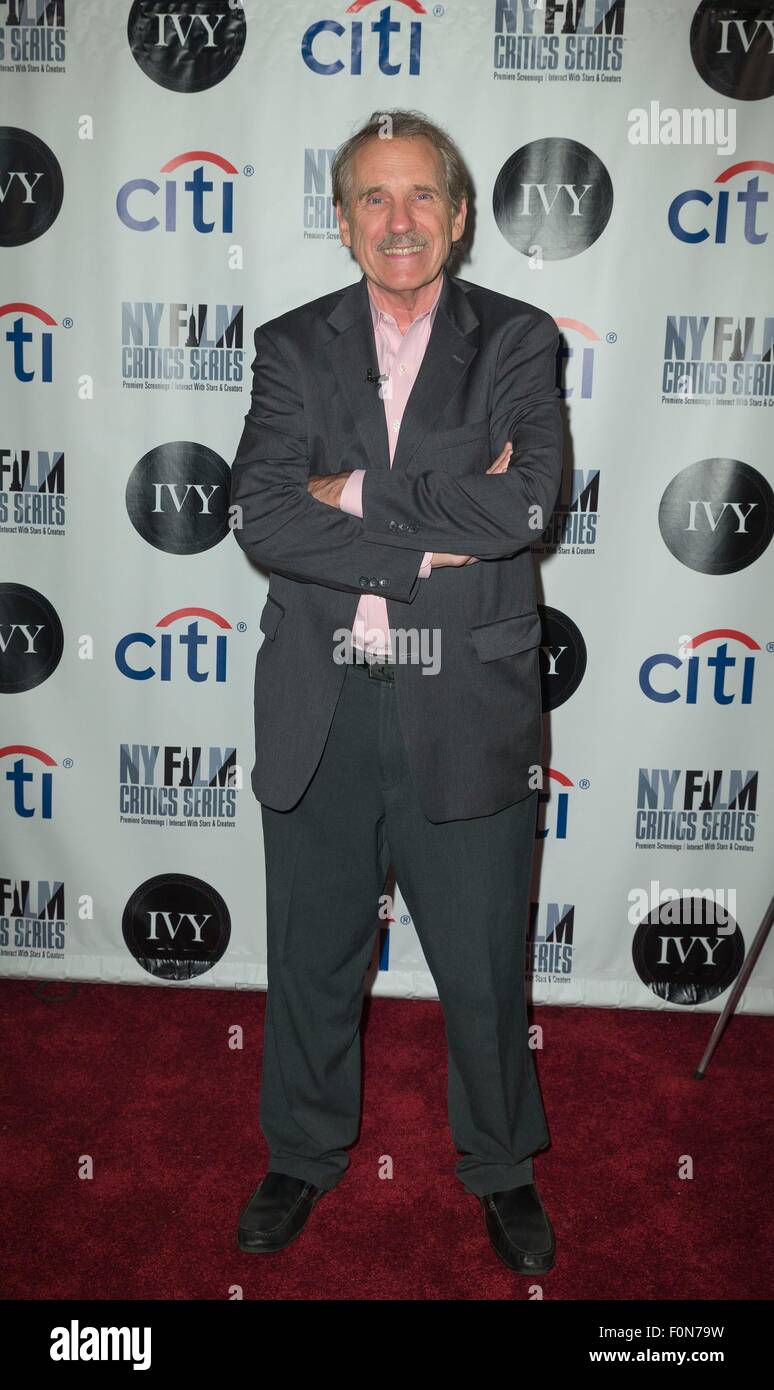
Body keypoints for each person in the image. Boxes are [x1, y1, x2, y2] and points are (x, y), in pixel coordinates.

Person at [229, 109, 563, 1275]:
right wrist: (424, 530)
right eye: (373, 198)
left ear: (461, 215)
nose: (400, 220)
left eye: (422, 195)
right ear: (342, 221)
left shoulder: (521, 340)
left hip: (463, 702)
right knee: (312, 951)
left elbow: (526, 508)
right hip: (322, 699)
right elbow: (259, 515)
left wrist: (352, 493)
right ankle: (302, 1152)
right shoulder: (289, 345)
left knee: (480, 961)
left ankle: (502, 1165)